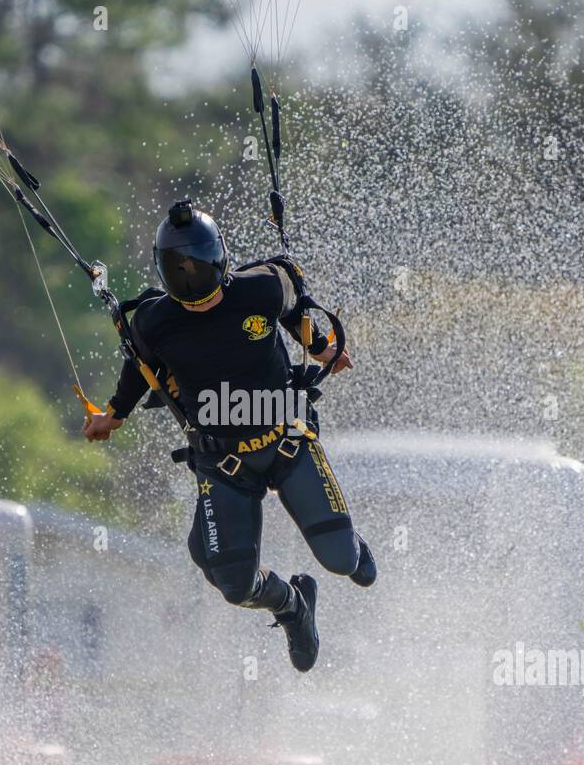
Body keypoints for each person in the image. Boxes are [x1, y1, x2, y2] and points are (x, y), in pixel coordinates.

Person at [82, 200, 376, 672]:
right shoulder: (154, 322)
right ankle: (293, 606)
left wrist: (322, 349)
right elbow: (137, 373)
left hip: (287, 444)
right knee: (235, 585)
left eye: (197, 267)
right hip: (225, 466)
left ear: (220, 257)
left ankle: (350, 542)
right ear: (165, 273)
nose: (192, 280)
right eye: (180, 272)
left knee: (348, 564)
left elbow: (295, 311)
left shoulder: (262, 287)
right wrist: (111, 416)